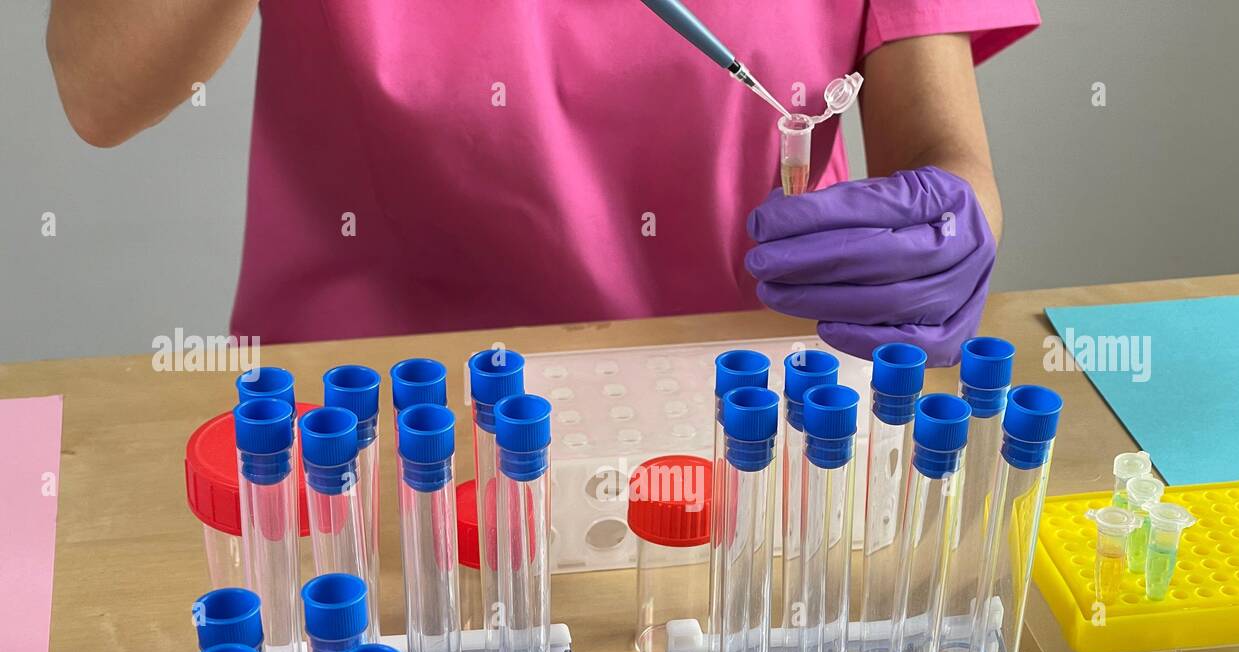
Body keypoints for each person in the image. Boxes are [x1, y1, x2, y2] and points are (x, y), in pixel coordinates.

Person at [47, 1, 1039, 365]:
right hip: (379, 441)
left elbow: (948, 168)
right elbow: (103, 90)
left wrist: (945, 238)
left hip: (743, 425)